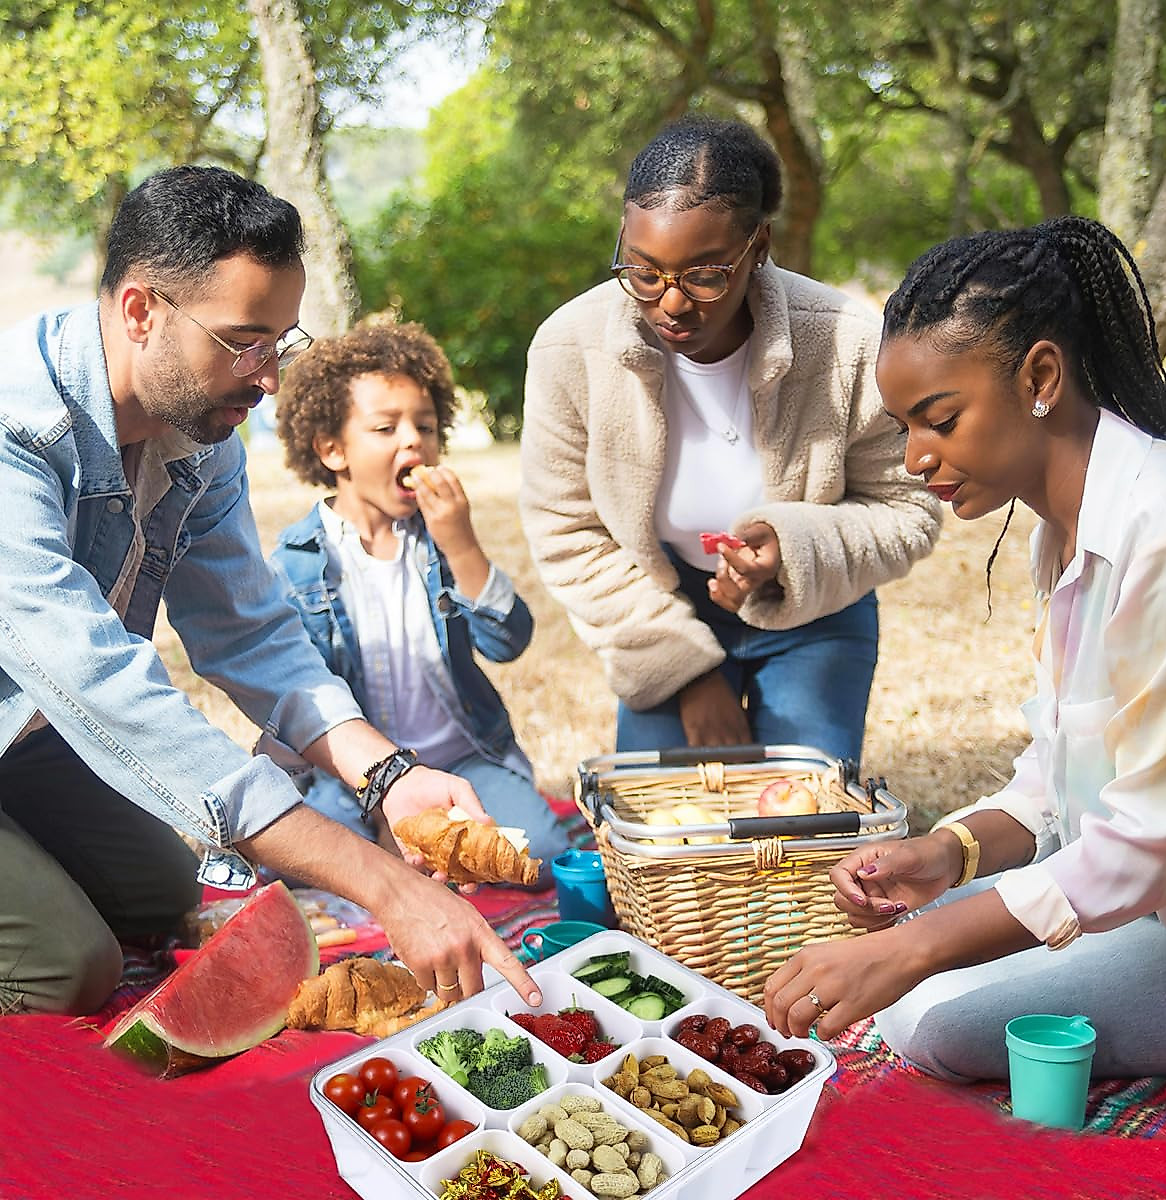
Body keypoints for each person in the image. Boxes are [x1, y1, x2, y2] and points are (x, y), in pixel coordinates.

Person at [0, 166, 540, 1016]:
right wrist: (386, 887)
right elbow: (97, 683)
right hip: (57, 706)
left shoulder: (201, 431)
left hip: (27, 736)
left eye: (280, 343)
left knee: (170, 899)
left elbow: (250, 635)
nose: (270, 380)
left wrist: (389, 777)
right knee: (65, 969)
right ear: (142, 311)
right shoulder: (13, 426)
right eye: (244, 341)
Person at [763, 215, 1166, 1081]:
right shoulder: (1063, 531)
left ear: (1041, 375)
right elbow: (1058, 777)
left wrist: (920, 952)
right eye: (904, 430)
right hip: (1140, 903)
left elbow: (1148, 844)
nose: (919, 459)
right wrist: (946, 853)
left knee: (931, 1017)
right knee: (903, 960)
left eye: (940, 419)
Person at [520, 116, 940, 762]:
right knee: (666, 832)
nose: (671, 303)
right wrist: (682, 671)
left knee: (799, 826)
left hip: (817, 612)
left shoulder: (848, 341)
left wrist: (794, 549)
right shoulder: (568, 349)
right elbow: (566, 531)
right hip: (656, 605)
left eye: (705, 275)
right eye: (644, 272)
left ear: (760, 245)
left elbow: (908, 508)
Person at [270, 321, 568, 883]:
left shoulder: (437, 542)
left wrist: (461, 540)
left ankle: (430, 847)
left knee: (543, 854)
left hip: (464, 759)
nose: (413, 440)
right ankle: (407, 849)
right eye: (386, 427)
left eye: (425, 426)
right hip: (355, 780)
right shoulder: (299, 563)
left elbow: (508, 640)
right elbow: (289, 691)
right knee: (310, 869)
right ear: (332, 449)